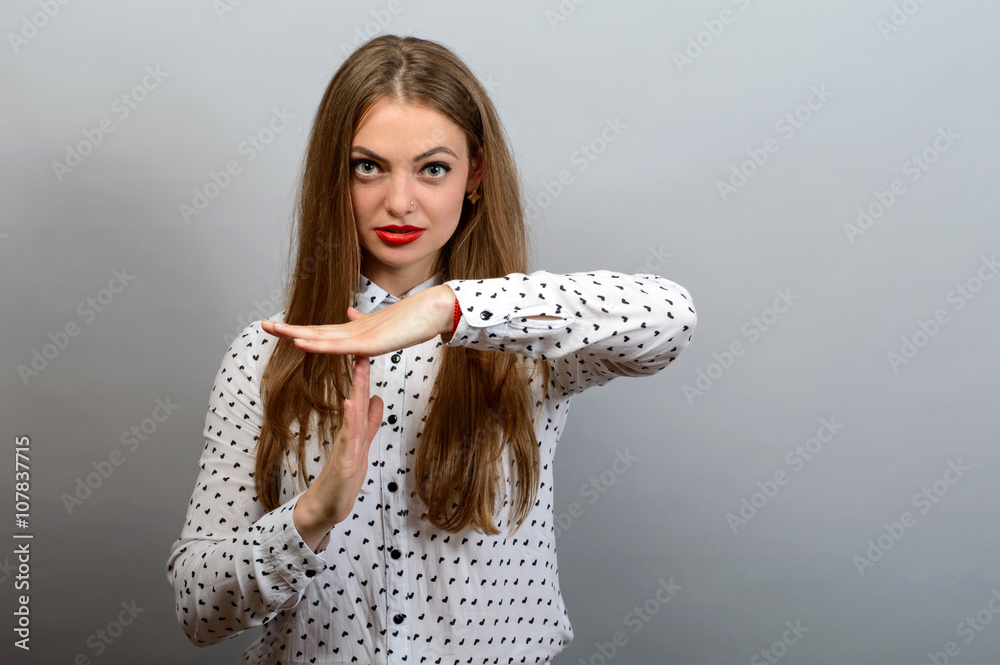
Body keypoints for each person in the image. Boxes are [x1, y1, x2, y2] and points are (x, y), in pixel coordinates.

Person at [165, 34, 697, 664]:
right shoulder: (265, 354)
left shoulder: (526, 337)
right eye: (368, 167)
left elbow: (671, 317)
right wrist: (309, 517)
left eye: (433, 168)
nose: (399, 202)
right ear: (335, 176)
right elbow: (198, 610)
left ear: (476, 176)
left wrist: (447, 308)